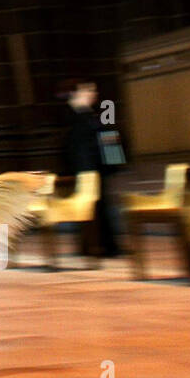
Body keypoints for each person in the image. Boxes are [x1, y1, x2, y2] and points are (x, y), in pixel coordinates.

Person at [58, 78, 122, 258]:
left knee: (101, 207)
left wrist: (113, 163)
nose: (93, 94)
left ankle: (105, 245)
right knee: (92, 208)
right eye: (88, 90)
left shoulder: (94, 114)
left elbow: (109, 136)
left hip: (95, 169)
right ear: (76, 93)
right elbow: (76, 147)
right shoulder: (76, 117)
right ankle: (97, 245)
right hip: (86, 169)